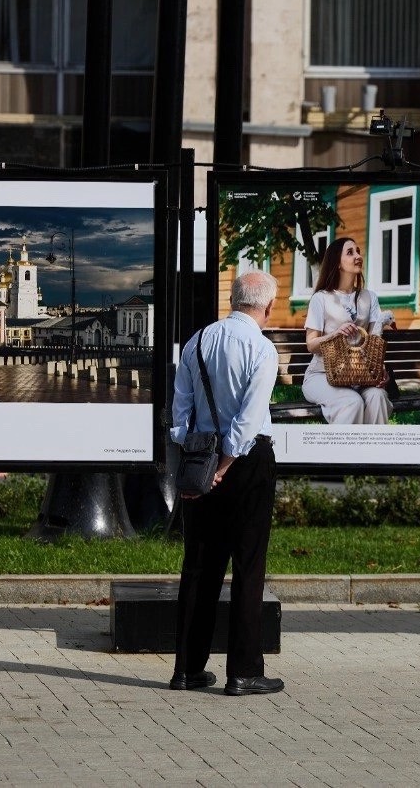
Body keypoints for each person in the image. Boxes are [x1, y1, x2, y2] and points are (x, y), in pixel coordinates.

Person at [168, 270, 283, 696]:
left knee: (199, 565)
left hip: (200, 458)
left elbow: (179, 408)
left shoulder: (198, 340)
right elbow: (250, 418)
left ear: (233, 299)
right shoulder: (262, 348)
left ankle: (187, 668)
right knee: (248, 566)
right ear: (267, 307)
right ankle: (244, 672)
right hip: (247, 463)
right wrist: (227, 461)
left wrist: (197, 453)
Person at [302, 237, 393, 424]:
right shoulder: (321, 299)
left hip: (359, 376)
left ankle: (375, 453)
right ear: (337, 263)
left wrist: (380, 371)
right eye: (350, 252)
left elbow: (373, 342)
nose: (358, 256)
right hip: (322, 376)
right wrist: (337, 334)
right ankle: (342, 453)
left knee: (378, 397)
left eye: (358, 251)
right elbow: (311, 344)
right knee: (352, 402)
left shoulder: (370, 297)